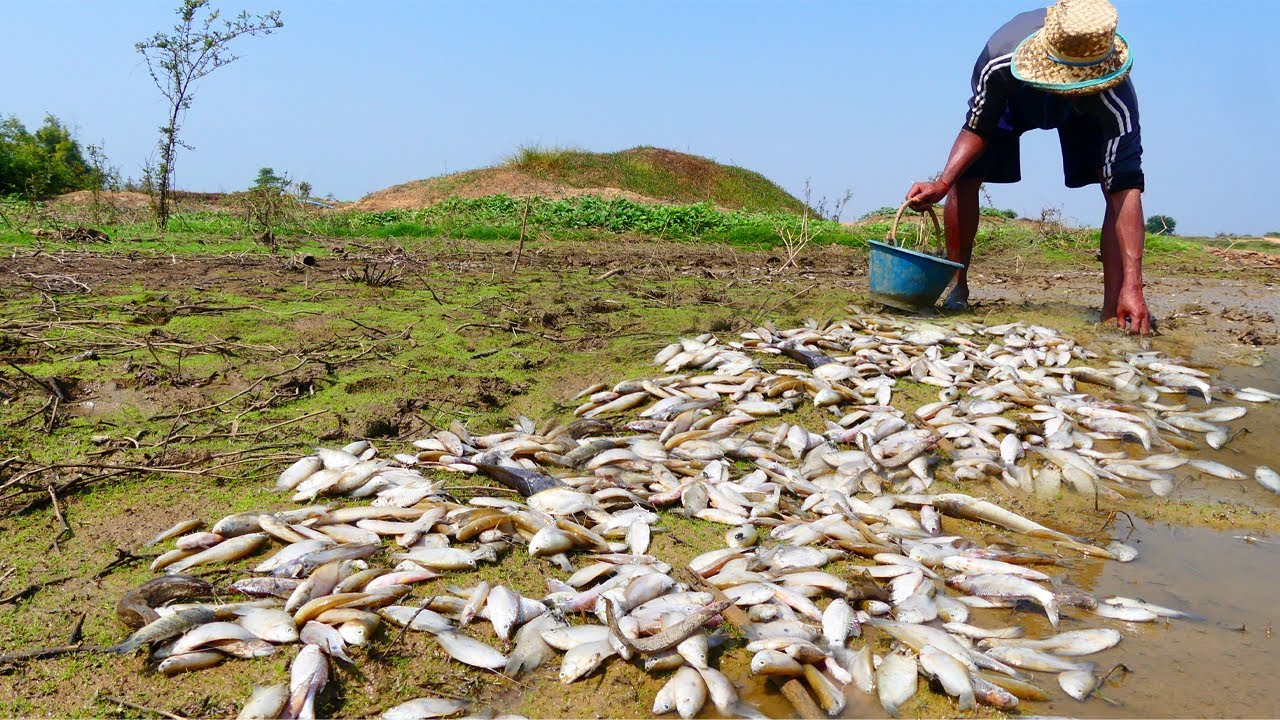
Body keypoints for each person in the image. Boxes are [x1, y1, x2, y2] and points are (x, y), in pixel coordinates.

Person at [905, 0, 1152, 335]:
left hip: (1086, 114)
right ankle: (958, 286)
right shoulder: (1000, 60)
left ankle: (1115, 306)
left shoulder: (1115, 99)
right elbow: (977, 129)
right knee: (965, 177)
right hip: (1018, 96)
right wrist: (943, 182)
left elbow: (1125, 190)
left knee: (1112, 188)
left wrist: (1134, 285)